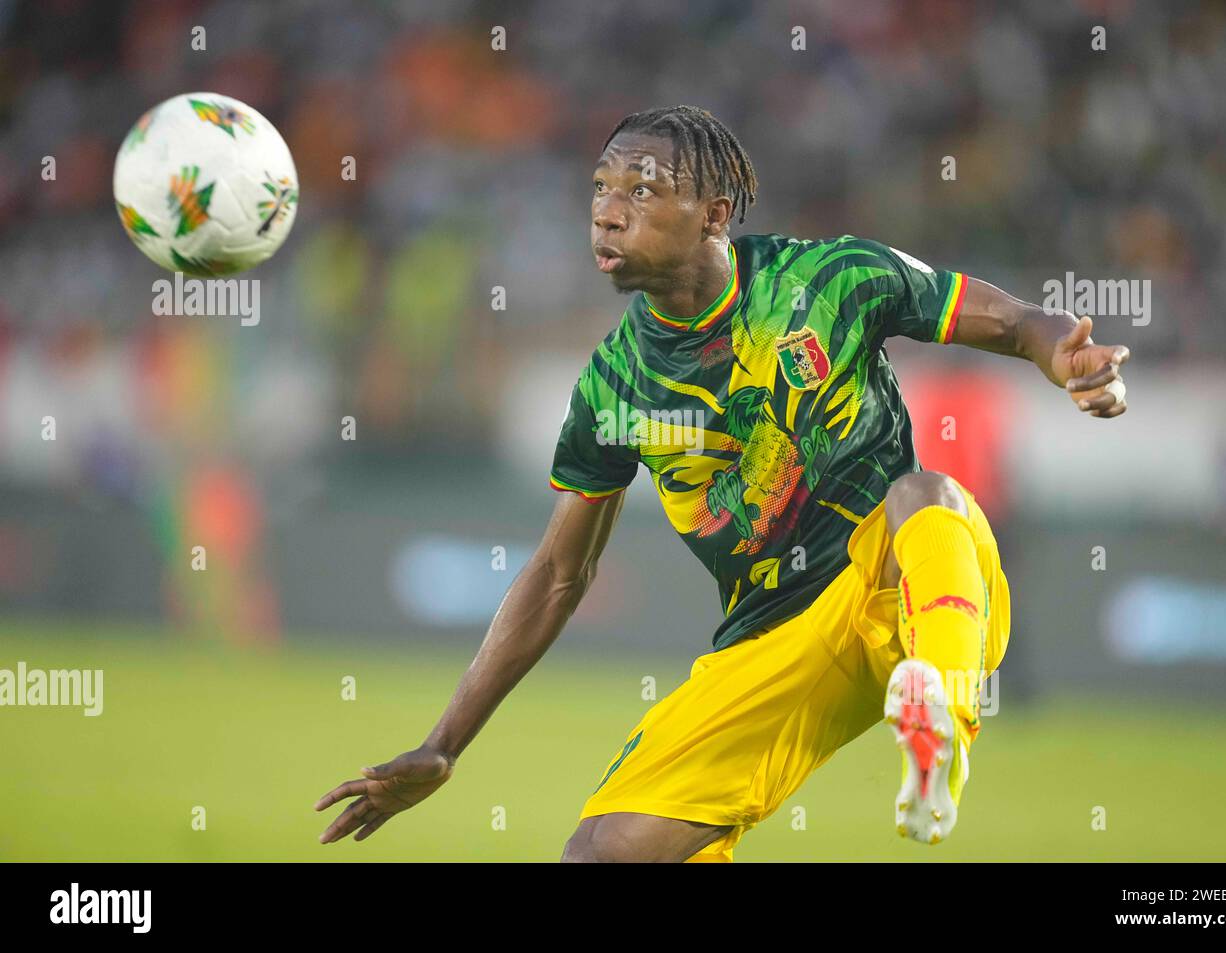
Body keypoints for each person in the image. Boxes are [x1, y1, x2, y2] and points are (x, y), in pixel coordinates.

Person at [315, 105, 1131, 862]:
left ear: (713, 213)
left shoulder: (830, 279)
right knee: (602, 851)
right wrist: (445, 743)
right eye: (601, 188)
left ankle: (941, 723)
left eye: (642, 189)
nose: (607, 208)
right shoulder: (614, 385)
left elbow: (1025, 322)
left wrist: (1072, 358)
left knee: (927, 496)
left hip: (901, 585)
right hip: (771, 633)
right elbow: (560, 574)